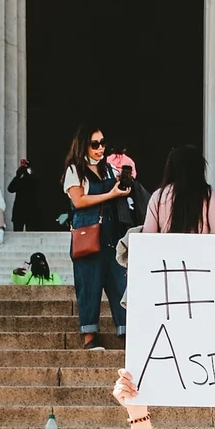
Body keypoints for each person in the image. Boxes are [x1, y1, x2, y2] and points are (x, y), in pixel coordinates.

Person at [63, 122, 130, 350]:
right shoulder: (74, 170)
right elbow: (78, 200)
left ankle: (126, 332)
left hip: (111, 235)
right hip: (87, 234)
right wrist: (110, 194)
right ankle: (89, 336)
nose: (100, 148)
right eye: (95, 144)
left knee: (119, 283)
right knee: (88, 285)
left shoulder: (109, 169)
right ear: (83, 145)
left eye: (102, 143)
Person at [143, 145, 215, 234]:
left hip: (167, 247)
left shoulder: (158, 196)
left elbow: (148, 234)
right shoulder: (207, 194)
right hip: (200, 247)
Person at [8, 159, 40, 231]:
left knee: (32, 231)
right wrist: (18, 176)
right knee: (18, 230)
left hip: (31, 208)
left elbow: (36, 187)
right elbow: (10, 189)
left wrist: (22, 176)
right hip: (20, 209)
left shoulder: (34, 179)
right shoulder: (20, 180)